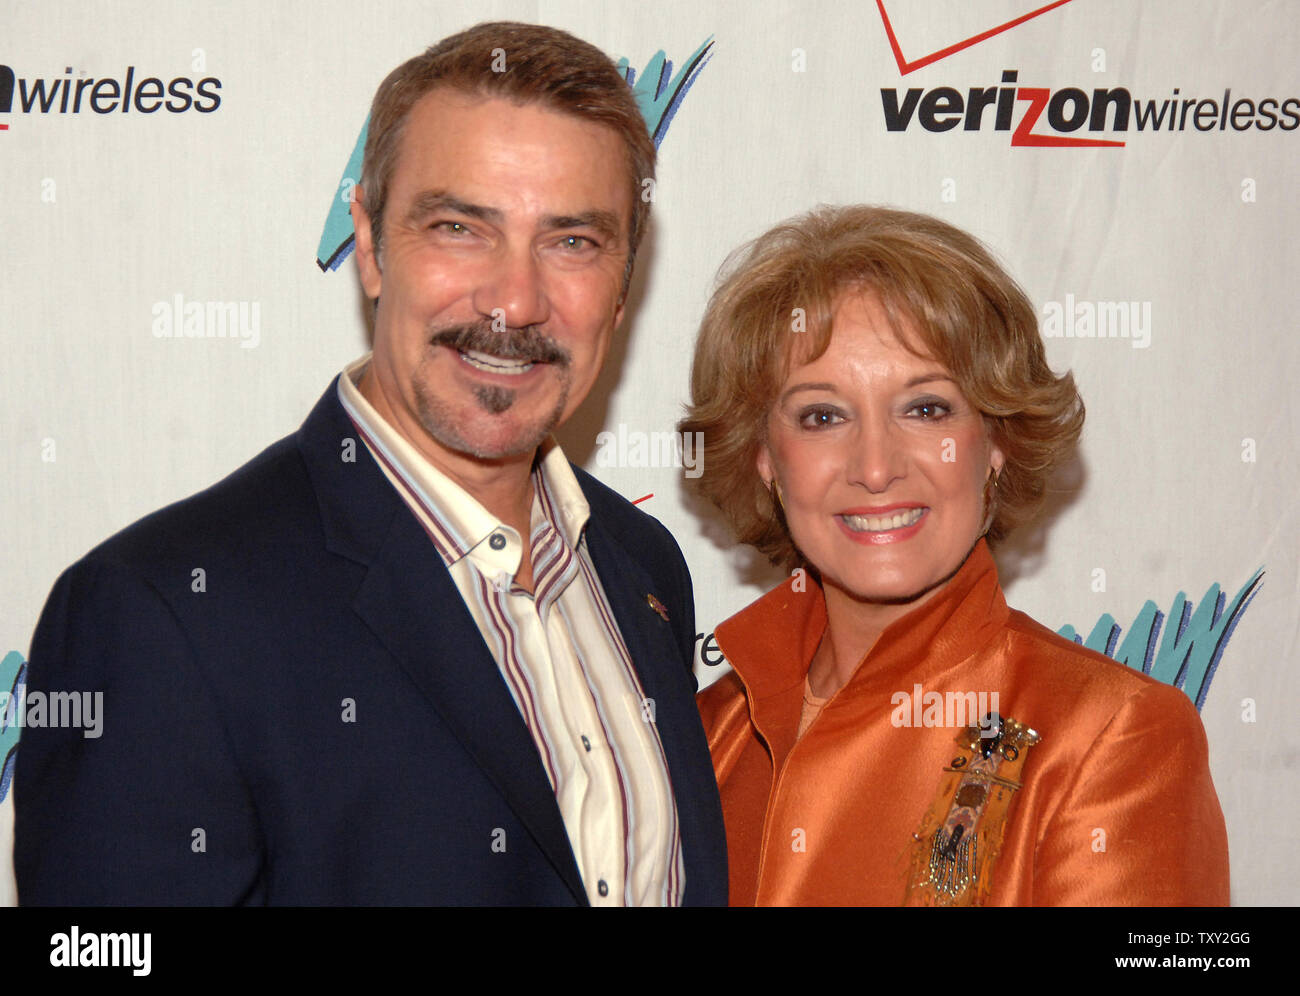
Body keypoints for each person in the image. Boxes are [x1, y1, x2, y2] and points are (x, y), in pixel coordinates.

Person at [16, 21, 726, 906]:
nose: (514, 300)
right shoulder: (163, 612)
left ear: (623, 283)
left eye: (572, 241)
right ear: (371, 245)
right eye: (462, 227)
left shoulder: (641, 563)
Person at [682, 205, 1229, 906]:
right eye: (822, 416)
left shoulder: (1115, 735)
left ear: (996, 440)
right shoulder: (706, 736)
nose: (875, 467)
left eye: (926, 409)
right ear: (764, 459)